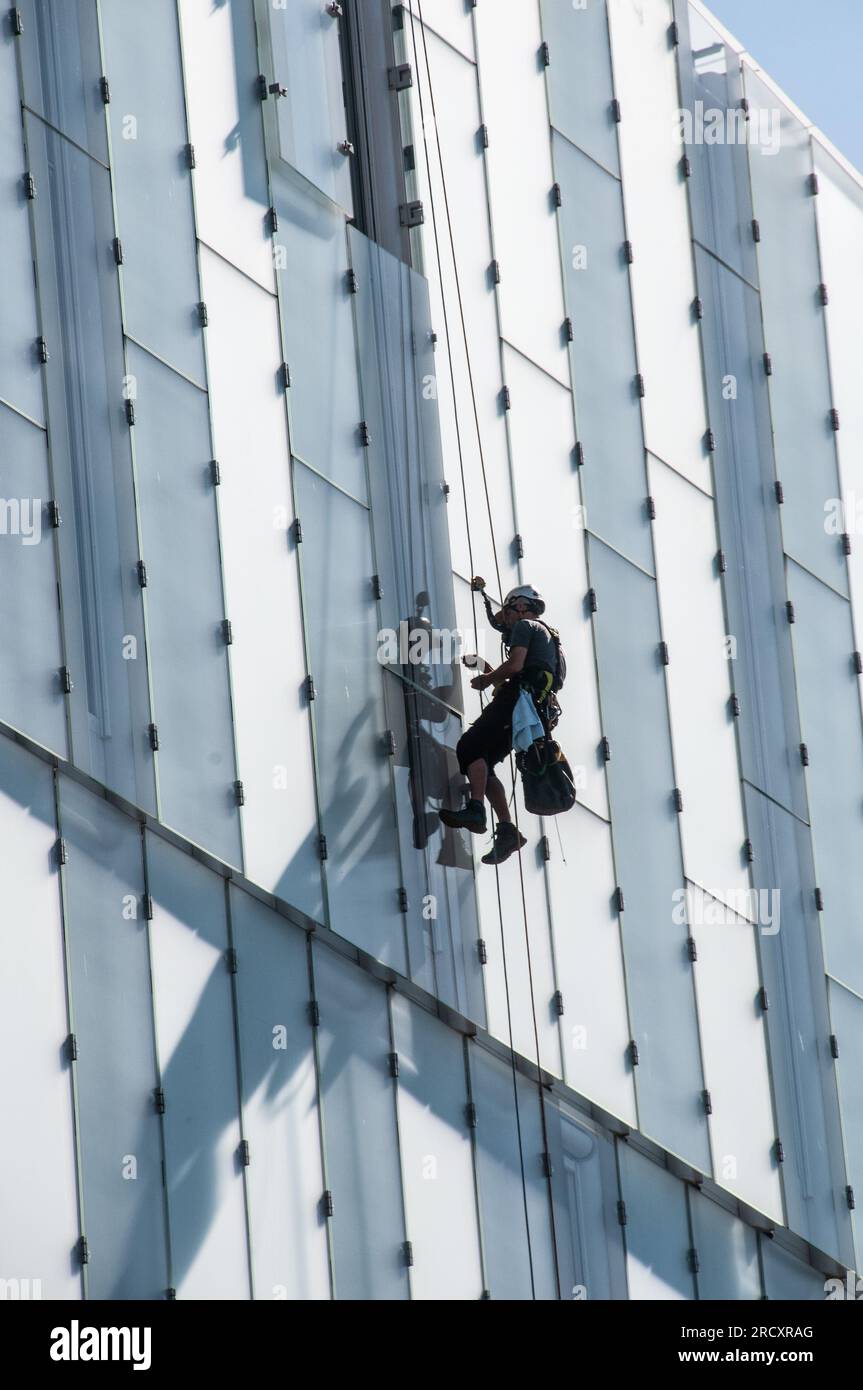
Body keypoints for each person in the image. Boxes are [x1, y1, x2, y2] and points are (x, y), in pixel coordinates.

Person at [439, 583, 562, 865]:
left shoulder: (525, 627)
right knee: (484, 761)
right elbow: (523, 671)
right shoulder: (546, 636)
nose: (504, 619)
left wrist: (485, 680)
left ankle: (476, 808)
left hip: (517, 701)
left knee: (469, 747)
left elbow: (516, 667)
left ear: (520, 606)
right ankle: (507, 829)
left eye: (507, 612)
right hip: (529, 711)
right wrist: (486, 668)